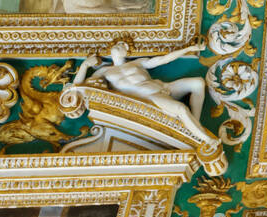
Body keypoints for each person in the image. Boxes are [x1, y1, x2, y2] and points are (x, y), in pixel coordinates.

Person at [73, 39, 210, 146]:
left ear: (126, 52)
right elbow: (77, 87)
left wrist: (190, 48)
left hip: (164, 88)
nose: (119, 46)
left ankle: (195, 125)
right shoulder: (105, 71)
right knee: (181, 108)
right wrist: (84, 65)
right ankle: (203, 137)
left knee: (198, 82)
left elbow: (163, 59)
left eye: (122, 45)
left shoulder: (137, 63)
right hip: (150, 98)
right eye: (117, 44)